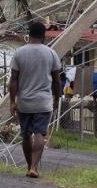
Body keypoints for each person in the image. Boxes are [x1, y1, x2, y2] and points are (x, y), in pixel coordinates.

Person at [9, 21, 61, 178]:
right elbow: (57, 80)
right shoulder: (51, 53)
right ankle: (34, 167)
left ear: (29, 35)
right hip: (43, 101)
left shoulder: (19, 53)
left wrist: (12, 101)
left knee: (26, 135)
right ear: (43, 36)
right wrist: (57, 98)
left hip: (24, 101)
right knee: (39, 133)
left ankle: (28, 166)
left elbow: (13, 80)